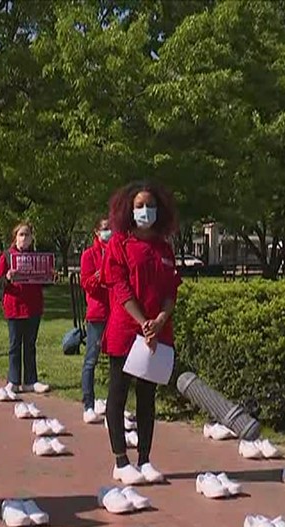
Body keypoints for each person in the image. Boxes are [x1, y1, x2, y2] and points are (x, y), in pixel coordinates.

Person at [102, 180, 182, 486]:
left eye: (150, 205)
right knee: (118, 394)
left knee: (147, 398)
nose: (145, 210)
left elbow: (171, 290)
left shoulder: (164, 248)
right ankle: (120, 460)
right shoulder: (119, 244)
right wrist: (142, 322)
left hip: (156, 335)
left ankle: (145, 459)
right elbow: (119, 286)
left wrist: (159, 320)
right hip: (126, 332)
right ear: (128, 210)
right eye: (139, 206)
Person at [0, 222, 51, 394]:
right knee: (14, 345)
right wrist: (7, 277)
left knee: (30, 345)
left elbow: (43, 282)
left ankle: (30, 381)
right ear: (15, 237)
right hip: (14, 307)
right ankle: (13, 380)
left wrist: (50, 276)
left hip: (33, 307)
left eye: (27, 235)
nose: (24, 238)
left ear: (32, 238)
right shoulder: (7, 256)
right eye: (21, 234)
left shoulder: (37, 258)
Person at [80, 218, 112, 423]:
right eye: (105, 229)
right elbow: (86, 283)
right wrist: (99, 276)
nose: (109, 232)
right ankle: (88, 404)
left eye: (111, 228)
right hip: (98, 313)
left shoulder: (117, 252)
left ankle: (113, 405)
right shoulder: (89, 255)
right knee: (91, 359)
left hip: (116, 313)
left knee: (117, 361)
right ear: (97, 232)